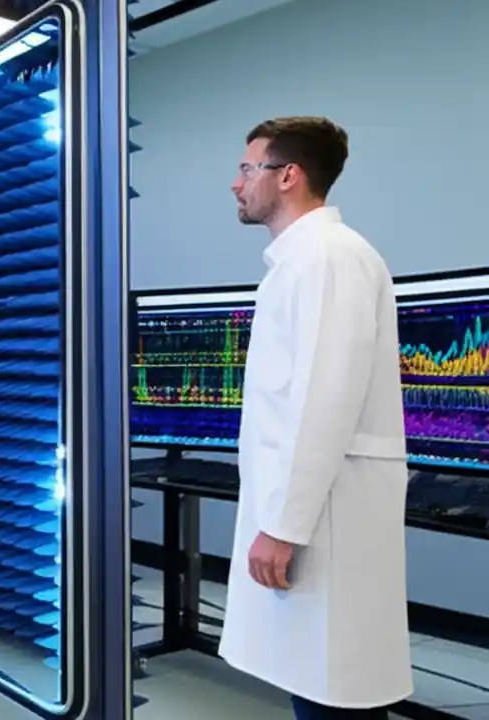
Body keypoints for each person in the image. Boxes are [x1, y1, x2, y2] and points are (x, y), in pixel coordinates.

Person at [217, 116, 414, 720]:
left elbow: (324, 401)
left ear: (289, 176)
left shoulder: (329, 258)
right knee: (316, 677)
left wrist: (285, 525)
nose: (236, 183)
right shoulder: (303, 262)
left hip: (324, 515)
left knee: (335, 686)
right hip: (311, 510)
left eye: (249, 169)